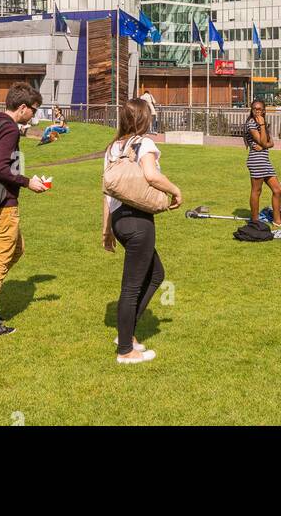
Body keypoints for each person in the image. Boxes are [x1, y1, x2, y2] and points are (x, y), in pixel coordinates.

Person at [103, 97, 182, 364]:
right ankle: (125, 350)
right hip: (138, 220)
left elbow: (107, 192)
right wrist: (175, 191)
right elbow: (151, 176)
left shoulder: (112, 148)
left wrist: (106, 230)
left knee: (156, 273)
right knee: (132, 287)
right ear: (143, 119)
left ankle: (126, 334)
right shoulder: (144, 143)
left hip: (119, 219)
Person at [0, 83, 49, 338]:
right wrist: (28, 182)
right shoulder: (9, 129)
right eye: (34, 110)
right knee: (0, 262)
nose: (34, 116)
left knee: (17, 249)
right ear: (23, 108)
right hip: (3, 202)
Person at [243, 99, 281, 228]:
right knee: (256, 191)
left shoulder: (262, 123)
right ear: (252, 110)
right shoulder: (251, 124)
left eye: (260, 109)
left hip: (265, 160)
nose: (257, 111)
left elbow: (270, 143)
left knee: (277, 190)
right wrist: (263, 128)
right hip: (256, 160)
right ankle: (255, 221)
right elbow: (265, 142)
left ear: (264, 110)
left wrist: (264, 144)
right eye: (255, 109)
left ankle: (277, 221)